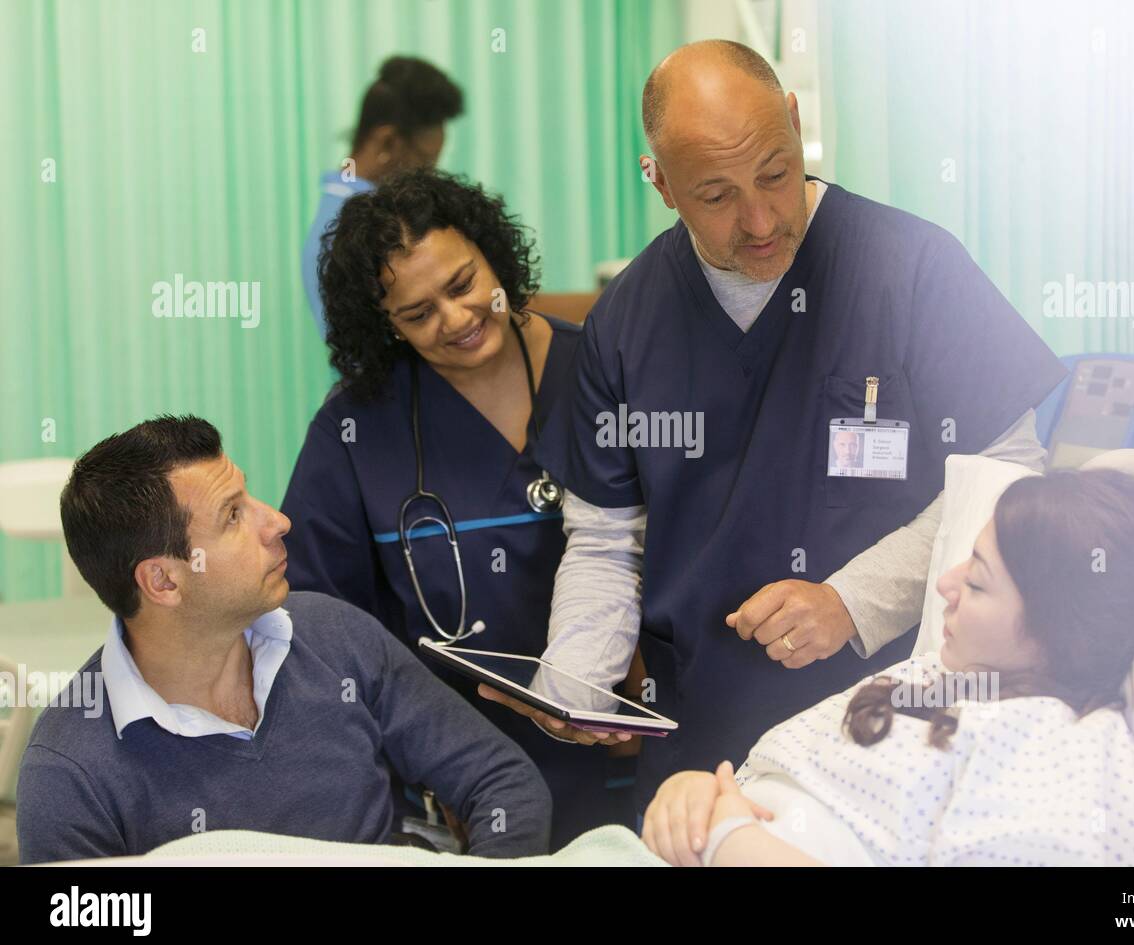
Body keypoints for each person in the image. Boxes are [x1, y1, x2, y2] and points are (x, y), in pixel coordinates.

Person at [485, 40, 1068, 815]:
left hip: (892, 731)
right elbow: (604, 537)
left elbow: (1008, 476)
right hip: (703, 750)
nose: (760, 220)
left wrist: (853, 601)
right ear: (657, 182)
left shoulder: (911, 268)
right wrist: (578, 679)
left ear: (794, 125)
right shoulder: (627, 320)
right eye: (716, 195)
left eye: (774, 172)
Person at [16, 416, 550, 863]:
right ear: (163, 581)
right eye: (232, 515)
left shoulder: (336, 637)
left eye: (248, 496)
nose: (277, 521)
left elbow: (505, 784)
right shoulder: (70, 774)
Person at [281, 170, 630, 848]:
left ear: (492, 252)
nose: (456, 320)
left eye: (463, 283)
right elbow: (317, 621)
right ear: (383, 325)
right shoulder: (357, 430)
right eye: (417, 314)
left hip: (626, 756)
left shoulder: (605, 372)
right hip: (461, 784)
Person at [642, 469, 1134, 866]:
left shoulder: (1063, 756)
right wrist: (694, 797)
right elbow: (764, 785)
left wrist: (732, 841)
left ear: (1059, 628)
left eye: (978, 583)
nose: (945, 586)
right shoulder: (935, 677)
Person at [302, 56, 464, 338]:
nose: (427, 178)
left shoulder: (340, 210)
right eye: (425, 163)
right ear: (387, 142)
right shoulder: (351, 229)